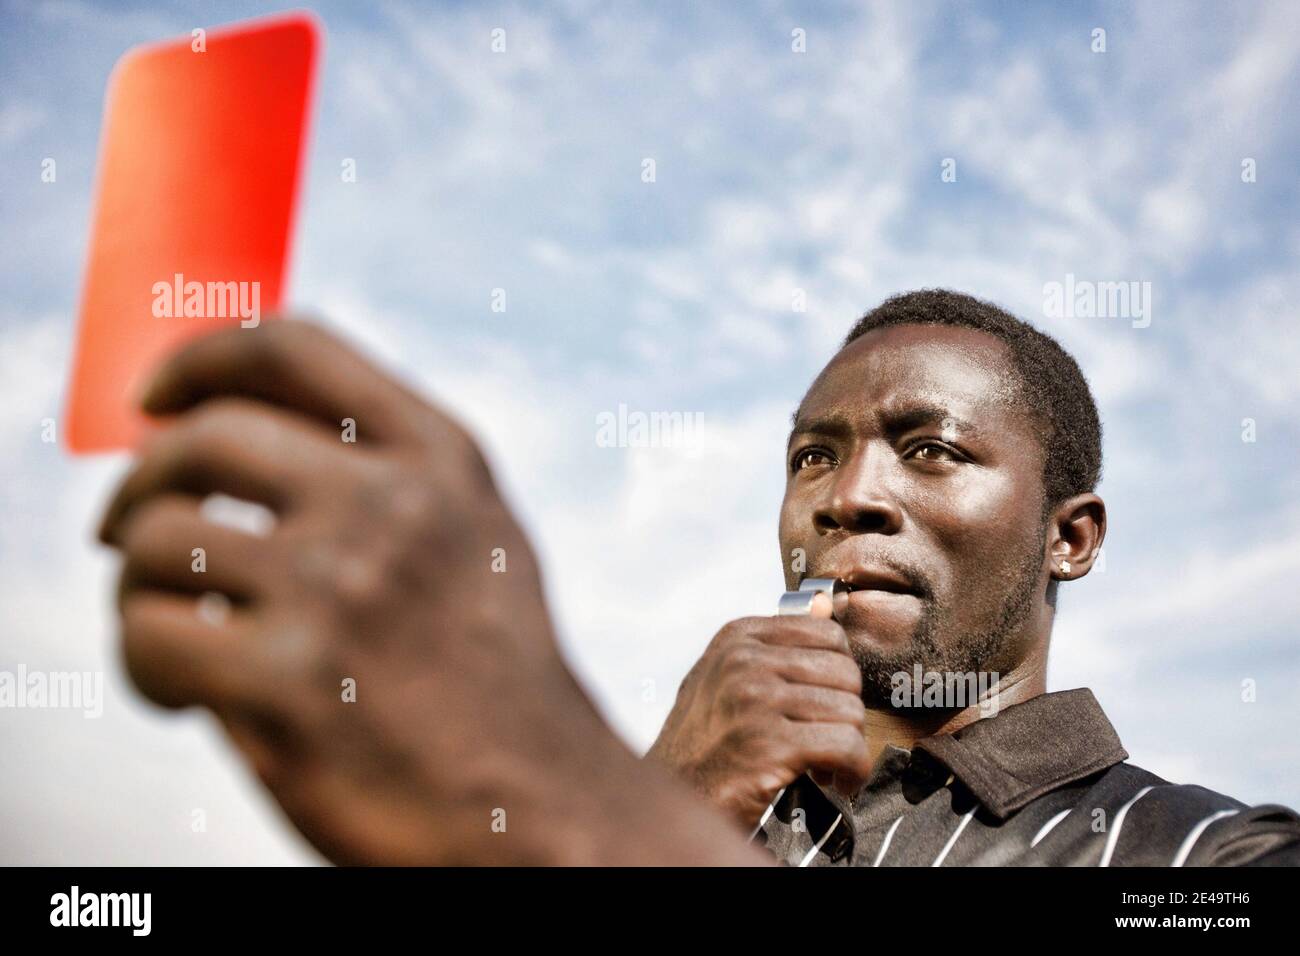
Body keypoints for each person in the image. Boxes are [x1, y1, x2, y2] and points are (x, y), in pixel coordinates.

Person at [98, 289, 1300, 865]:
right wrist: (666, 786)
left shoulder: (1197, 854)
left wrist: (586, 809)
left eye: (931, 450)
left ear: (1069, 537)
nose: (846, 494)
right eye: (810, 456)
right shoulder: (707, 797)